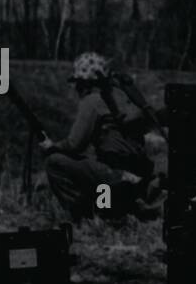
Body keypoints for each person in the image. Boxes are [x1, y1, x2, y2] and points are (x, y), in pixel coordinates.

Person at [41, 53, 159, 223]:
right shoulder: (120, 96)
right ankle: (122, 203)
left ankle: (83, 216)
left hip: (116, 171)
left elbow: (74, 144)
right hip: (139, 169)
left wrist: (51, 146)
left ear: (83, 83)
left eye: (77, 84)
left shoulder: (92, 101)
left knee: (55, 162)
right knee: (90, 162)